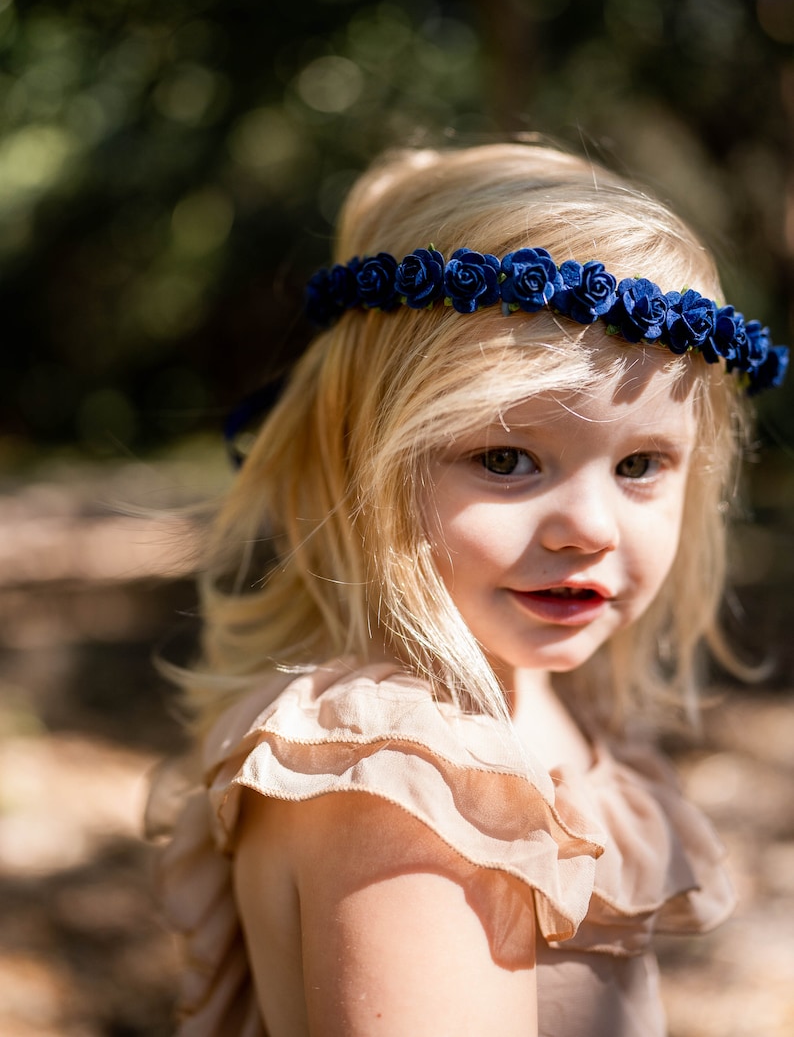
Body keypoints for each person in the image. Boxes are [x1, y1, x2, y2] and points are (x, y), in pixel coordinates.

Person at [150, 142, 787, 1037]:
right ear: (363, 457)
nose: (589, 528)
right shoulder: (406, 780)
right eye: (506, 458)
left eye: (641, 464)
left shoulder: (544, 700)